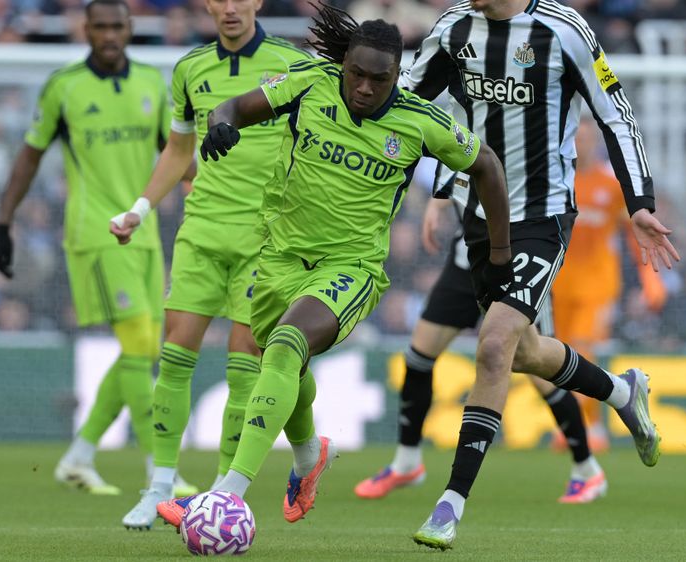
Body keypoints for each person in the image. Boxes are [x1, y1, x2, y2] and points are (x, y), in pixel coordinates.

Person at [137, 5, 514, 530]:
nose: (363, 87)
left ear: (395, 78)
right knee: (283, 362)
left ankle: (226, 495)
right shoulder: (310, 83)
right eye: (355, 74)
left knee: (288, 344)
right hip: (280, 259)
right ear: (344, 67)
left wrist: (499, 256)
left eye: (377, 80)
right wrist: (222, 128)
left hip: (350, 267)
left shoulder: (420, 121)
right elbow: (232, 108)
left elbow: (488, 166)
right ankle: (309, 455)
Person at [403, 0, 681, 549]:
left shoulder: (565, 30)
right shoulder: (454, 28)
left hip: (543, 216)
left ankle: (450, 503)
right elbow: (407, 105)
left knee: (494, 345)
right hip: (479, 216)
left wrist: (638, 201)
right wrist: (434, 188)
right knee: (527, 352)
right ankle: (622, 393)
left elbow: (615, 112)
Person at [111, 0, 314, 529]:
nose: (229, 7)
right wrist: (139, 210)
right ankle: (157, 484)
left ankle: (223, 497)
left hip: (264, 239)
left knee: (243, 367)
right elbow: (178, 151)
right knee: (174, 357)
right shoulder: (189, 69)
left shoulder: (292, 64)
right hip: (201, 231)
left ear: (257, 2)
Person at [0, 0, 194, 497]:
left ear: (129, 28)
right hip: (95, 234)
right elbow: (29, 155)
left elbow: (176, 154)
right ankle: (158, 474)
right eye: (99, 26)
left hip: (143, 234)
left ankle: (79, 456)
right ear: (86, 30)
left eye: (116, 26)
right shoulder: (65, 87)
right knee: (141, 348)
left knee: (142, 353)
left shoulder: (151, 82)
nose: (108, 35)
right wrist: (3, 221)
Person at [354, 181, 607, 505]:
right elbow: (459, 156)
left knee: (538, 369)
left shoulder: (530, 146)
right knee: (419, 354)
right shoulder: (468, 132)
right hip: (466, 262)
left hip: (520, 268)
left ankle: (587, 469)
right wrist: (438, 202)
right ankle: (406, 462)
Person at [549, 115, 667, 453]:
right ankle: (588, 426)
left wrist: (650, 280)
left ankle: (584, 429)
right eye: (576, 139)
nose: (580, 145)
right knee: (564, 358)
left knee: (585, 348)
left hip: (599, 286)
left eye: (586, 139)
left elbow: (636, 234)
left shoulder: (611, 186)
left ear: (595, 143)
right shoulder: (561, 181)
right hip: (560, 285)